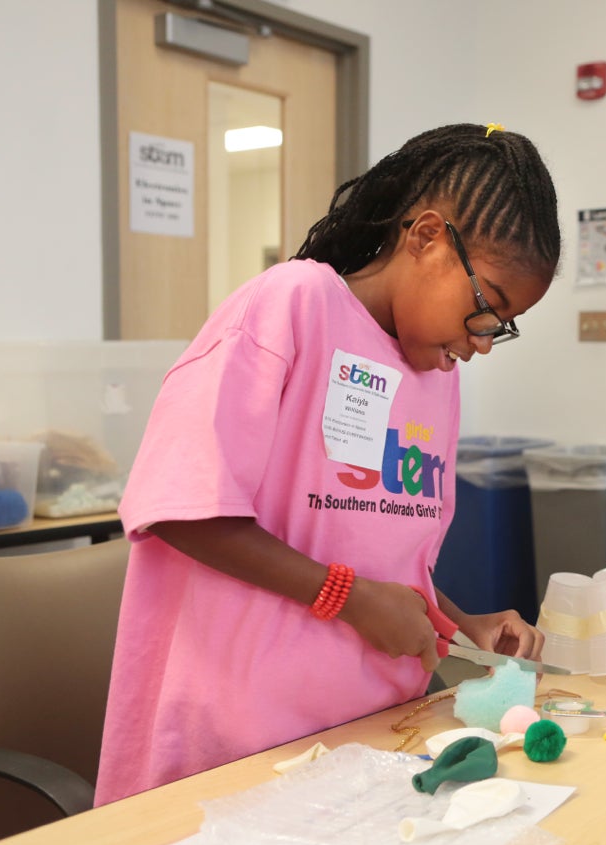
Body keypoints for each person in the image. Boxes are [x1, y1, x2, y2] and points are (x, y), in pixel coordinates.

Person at [95, 123, 562, 804]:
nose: (483, 341)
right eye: (485, 306)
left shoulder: (437, 373)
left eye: (501, 324)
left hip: (369, 739)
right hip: (239, 750)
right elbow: (181, 509)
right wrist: (345, 599)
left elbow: (380, 556)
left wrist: (464, 623)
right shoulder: (292, 306)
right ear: (426, 236)